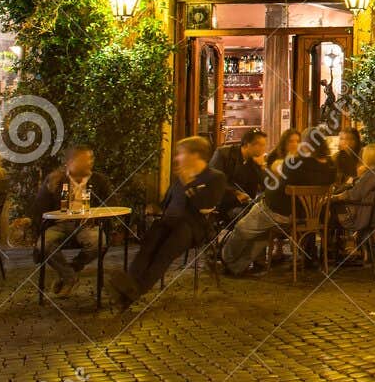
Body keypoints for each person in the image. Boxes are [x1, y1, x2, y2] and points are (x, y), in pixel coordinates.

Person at [109, 137, 229, 306]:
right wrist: (154, 207)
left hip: (193, 227)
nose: (177, 158)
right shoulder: (180, 178)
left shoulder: (215, 177)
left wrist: (188, 184)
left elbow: (206, 204)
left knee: (164, 252)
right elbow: (166, 203)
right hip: (168, 222)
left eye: (181, 153)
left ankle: (135, 289)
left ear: (194, 155)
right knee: (148, 246)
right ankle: (129, 286)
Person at [34, 144, 112, 296]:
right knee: (43, 244)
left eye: (91, 158)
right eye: (85, 159)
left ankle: (71, 270)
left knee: (98, 242)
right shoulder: (55, 180)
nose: (90, 162)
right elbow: (39, 208)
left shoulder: (99, 180)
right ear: (70, 162)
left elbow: (111, 202)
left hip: (87, 225)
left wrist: (94, 215)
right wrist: (41, 227)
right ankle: (70, 278)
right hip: (59, 224)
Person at [328, 143, 375, 260]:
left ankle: (335, 250)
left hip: (361, 217)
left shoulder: (371, 175)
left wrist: (334, 197)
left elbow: (354, 195)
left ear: (369, 157)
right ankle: (350, 247)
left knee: (329, 209)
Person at [211, 129, 269, 223]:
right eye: (260, 145)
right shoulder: (224, 153)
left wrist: (261, 167)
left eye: (264, 145)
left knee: (264, 213)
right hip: (223, 203)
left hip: (245, 203)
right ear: (247, 144)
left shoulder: (254, 160)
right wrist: (235, 193)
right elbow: (214, 181)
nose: (263, 149)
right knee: (251, 218)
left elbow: (266, 186)